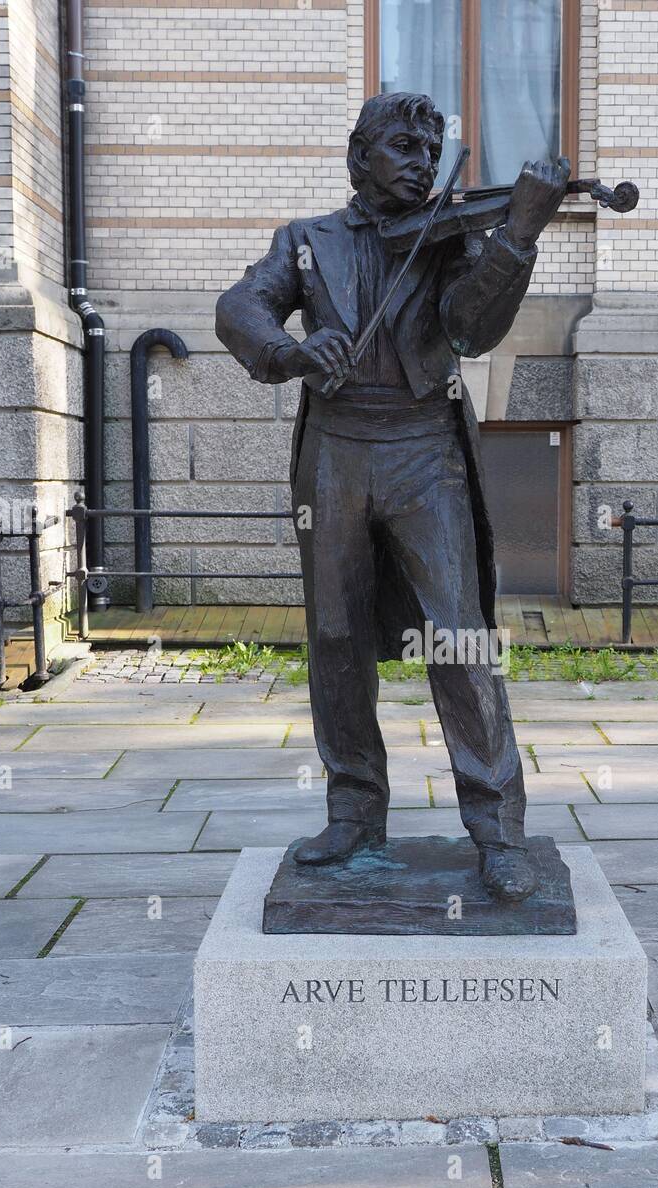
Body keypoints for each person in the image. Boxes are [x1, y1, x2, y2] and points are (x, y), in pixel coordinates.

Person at [216, 92, 568, 903]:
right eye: (403, 146)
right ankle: (353, 814)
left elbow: (472, 330)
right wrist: (292, 350)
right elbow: (241, 307)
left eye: (431, 146)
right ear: (358, 155)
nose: (420, 160)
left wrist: (516, 234)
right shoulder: (305, 241)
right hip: (335, 450)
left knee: (459, 639)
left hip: (422, 449)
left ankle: (497, 828)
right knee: (335, 634)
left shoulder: (456, 240)